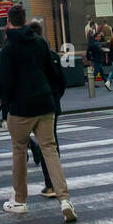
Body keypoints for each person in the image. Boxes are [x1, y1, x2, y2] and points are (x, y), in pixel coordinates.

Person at [0, 4, 75, 222]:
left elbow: (2, 80)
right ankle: (64, 199)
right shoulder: (40, 43)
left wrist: (5, 104)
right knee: (50, 149)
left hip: (20, 107)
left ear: (9, 22)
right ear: (25, 19)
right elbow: (53, 74)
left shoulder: (8, 48)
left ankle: (20, 200)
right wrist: (52, 95)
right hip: (45, 104)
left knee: (19, 150)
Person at [25, 21, 66, 198]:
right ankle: (54, 184)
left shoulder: (31, 57)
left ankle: (49, 184)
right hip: (52, 104)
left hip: (34, 105)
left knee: (37, 143)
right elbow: (61, 82)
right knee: (51, 143)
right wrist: (55, 97)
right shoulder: (52, 55)